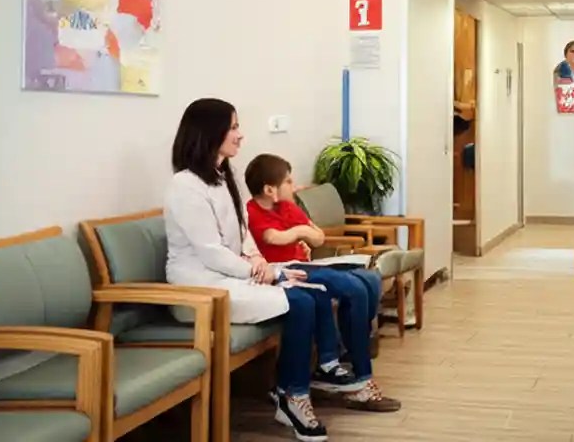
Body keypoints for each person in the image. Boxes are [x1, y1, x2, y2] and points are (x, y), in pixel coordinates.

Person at [164, 98, 350, 442]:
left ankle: (292, 391)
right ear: (210, 132)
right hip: (199, 288)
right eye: (233, 127)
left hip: (230, 276)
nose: (240, 135)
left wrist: (260, 261)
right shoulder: (185, 186)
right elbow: (209, 252)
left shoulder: (221, 178)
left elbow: (243, 233)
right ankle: (293, 397)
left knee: (314, 292)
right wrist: (266, 273)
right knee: (302, 300)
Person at [244, 153, 401, 413]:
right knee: (354, 289)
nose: (294, 187)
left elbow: (317, 238)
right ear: (270, 189)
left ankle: (346, 356)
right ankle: (355, 374)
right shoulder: (252, 211)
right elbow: (274, 238)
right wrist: (301, 233)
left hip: (307, 266)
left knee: (369, 278)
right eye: (289, 182)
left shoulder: (288, 207)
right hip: (285, 273)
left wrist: (300, 235)